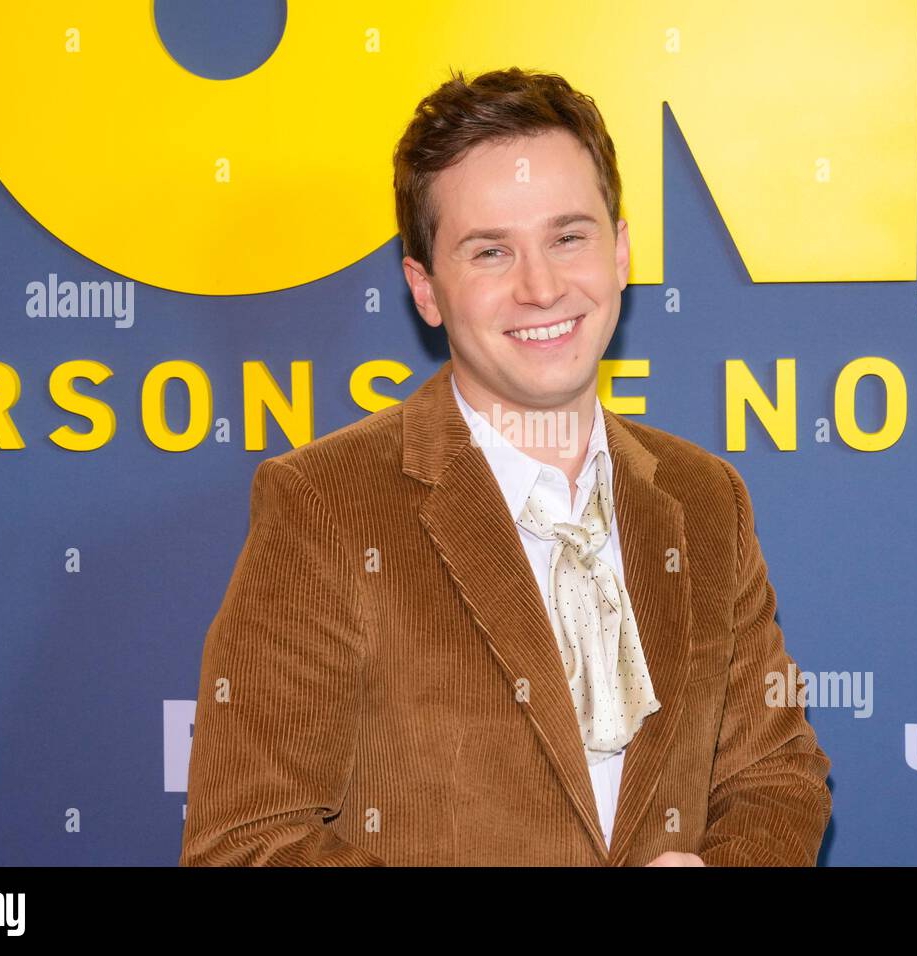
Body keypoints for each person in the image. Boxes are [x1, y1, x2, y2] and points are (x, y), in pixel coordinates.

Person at [179, 66, 831, 866]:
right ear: (425, 289)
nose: (542, 287)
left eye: (568, 236)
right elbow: (243, 843)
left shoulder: (703, 495)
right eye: (490, 252)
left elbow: (776, 772)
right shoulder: (325, 504)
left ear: (621, 251)